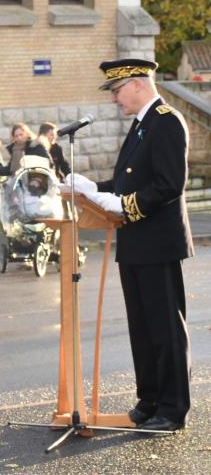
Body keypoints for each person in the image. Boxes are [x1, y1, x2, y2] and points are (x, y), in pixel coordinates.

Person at [86, 59, 192, 432]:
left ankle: (173, 407)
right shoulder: (142, 125)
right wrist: (89, 189)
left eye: (116, 91)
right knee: (142, 329)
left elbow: (168, 184)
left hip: (158, 241)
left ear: (136, 84)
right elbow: (124, 180)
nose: (115, 99)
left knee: (164, 329)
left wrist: (124, 205)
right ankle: (149, 399)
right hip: (134, 240)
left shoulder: (166, 121)